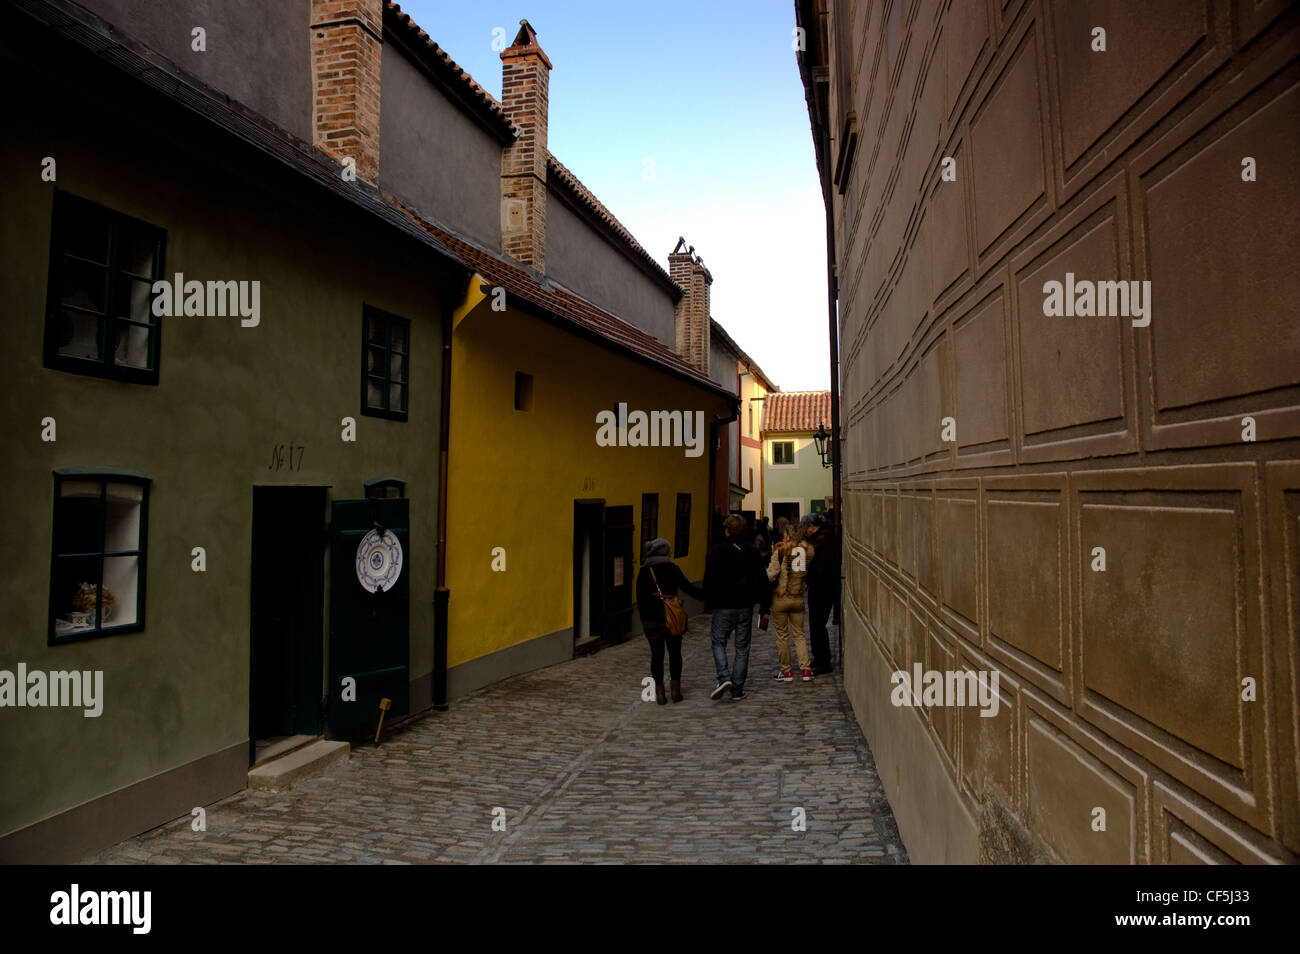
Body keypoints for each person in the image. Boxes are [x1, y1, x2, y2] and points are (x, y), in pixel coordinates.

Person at [704, 513, 768, 701]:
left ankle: (724, 677)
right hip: (745, 605)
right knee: (742, 647)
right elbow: (762, 580)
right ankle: (737, 689)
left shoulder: (717, 551)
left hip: (723, 604)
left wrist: (708, 602)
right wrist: (765, 607)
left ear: (727, 530)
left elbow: (709, 579)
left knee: (718, 642)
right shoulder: (752, 550)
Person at [636, 538, 704, 704]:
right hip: (671, 617)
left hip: (651, 619)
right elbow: (687, 587)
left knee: (656, 655)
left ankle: (659, 693)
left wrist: (644, 619)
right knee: (675, 653)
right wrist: (707, 597)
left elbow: (639, 598)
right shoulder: (672, 568)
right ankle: (675, 691)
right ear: (664, 552)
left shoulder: (644, 571)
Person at [768, 521, 814, 681]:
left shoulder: (780, 552)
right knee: (799, 634)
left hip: (781, 598)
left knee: (782, 635)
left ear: (787, 536)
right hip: (798, 598)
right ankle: (806, 669)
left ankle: (786, 671)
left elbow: (771, 574)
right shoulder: (804, 552)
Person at [803, 514, 841, 674]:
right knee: (816, 625)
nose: (805, 532)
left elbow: (814, 562)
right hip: (823, 587)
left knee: (817, 625)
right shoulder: (825, 536)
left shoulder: (822, 539)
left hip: (822, 588)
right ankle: (820, 658)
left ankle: (823, 661)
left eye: (806, 529)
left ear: (812, 526)